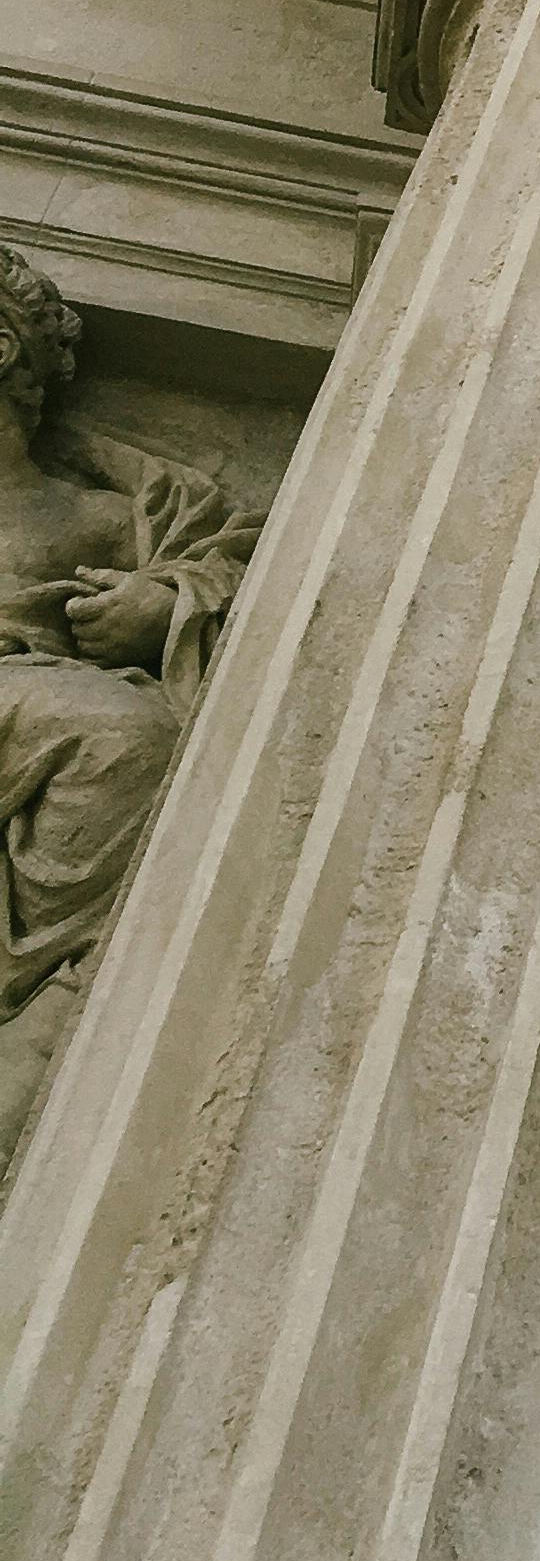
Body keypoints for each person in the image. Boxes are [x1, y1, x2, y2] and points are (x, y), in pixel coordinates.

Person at [0, 245, 260, 1185]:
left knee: (127, 737)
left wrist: (163, 605)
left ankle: (56, 993)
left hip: (42, 729)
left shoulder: (98, 515)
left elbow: (248, 575)